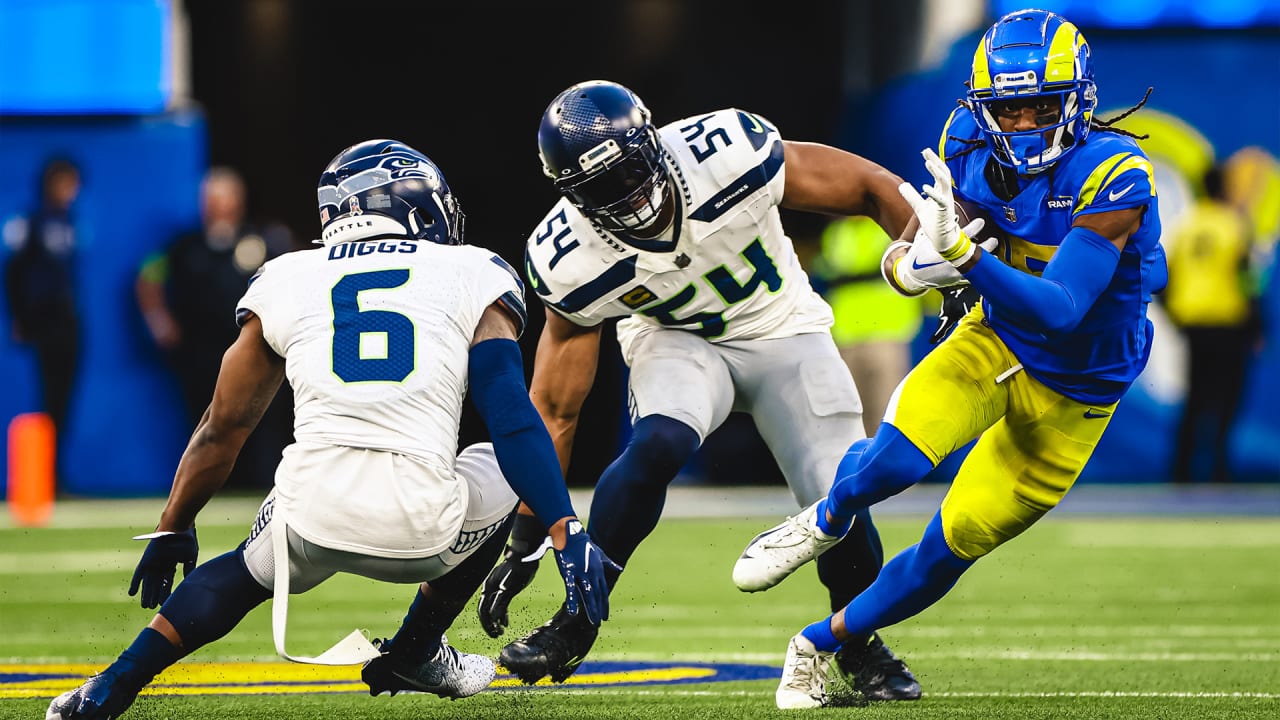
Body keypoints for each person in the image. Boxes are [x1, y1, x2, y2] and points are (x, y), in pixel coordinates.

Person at [46, 139, 616, 719]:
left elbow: (223, 427)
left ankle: (109, 688)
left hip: (311, 515)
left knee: (243, 571)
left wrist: (174, 524)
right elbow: (513, 416)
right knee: (497, 458)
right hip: (424, 528)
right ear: (415, 202)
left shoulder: (286, 274)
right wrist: (563, 526)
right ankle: (418, 648)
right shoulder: (473, 269)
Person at [732, 9, 1165, 708]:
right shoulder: (965, 139)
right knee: (900, 460)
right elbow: (931, 245)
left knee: (949, 546)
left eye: (1039, 107)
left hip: (1079, 390)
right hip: (995, 342)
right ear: (982, 108)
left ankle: (815, 643)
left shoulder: (1115, 174)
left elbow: (1060, 308)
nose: (1022, 124)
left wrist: (962, 257)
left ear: (1077, 100)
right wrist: (911, 264)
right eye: (1008, 109)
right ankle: (826, 517)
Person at [476, 79, 922, 701]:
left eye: (631, 171)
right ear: (573, 196)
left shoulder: (726, 151)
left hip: (782, 326)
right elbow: (555, 409)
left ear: (654, 145)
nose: (629, 197)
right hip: (676, 341)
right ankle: (577, 619)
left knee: (839, 492)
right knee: (658, 441)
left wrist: (932, 247)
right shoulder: (570, 255)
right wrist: (529, 533)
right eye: (604, 189)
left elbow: (871, 186)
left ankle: (859, 644)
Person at [136, 166, 294, 489]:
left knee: (260, 423)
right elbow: (148, 276)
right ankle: (210, 491)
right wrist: (159, 319)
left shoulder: (262, 240)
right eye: (212, 199)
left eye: (225, 199)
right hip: (200, 353)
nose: (218, 206)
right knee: (207, 423)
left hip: (255, 350)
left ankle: (264, 490)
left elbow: (291, 277)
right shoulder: (183, 245)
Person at [1163, 163, 1263, 483]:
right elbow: (1247, 278)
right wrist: (1257, 325)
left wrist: (1175, 315)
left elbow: (1166, 276)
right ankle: (1218, 469)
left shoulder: (1186, 225)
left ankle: (1182, 470)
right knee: (1227, 397)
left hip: (1194, 322)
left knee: (1195, 397)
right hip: (1227, 321)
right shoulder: (1234, 225)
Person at [810, 215, 924, 434]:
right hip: (846, 340)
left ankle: (888, 468)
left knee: (887, 418)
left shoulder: (890, 228)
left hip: (888, 336)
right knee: (849, 420)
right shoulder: (835, 233)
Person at [3, 157, 83, 450]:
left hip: (66, 318)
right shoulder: (31, 221)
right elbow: (14, 271)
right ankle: (40, 472)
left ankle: (55, 470)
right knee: (47, 392)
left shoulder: (68, 220)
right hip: (42, 319)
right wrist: (19, 317)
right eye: (65, 182)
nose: (71, 190)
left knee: (63, 394)